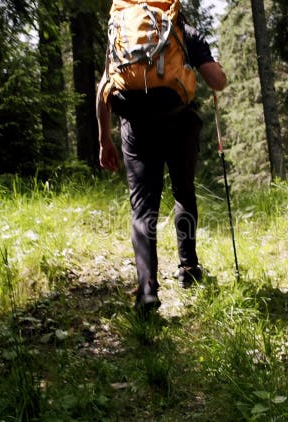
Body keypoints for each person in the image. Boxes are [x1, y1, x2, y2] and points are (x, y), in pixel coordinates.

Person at [96, 17, 227, 313]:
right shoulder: (183, 32)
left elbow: (104, 86)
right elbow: (216, 80)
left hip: (136, 127)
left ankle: (146, 289)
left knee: (143, 208)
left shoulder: (123, 33)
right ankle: (188, 268)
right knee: (183, 192)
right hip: (180, 121)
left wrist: (105, 140)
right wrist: (215, 68)